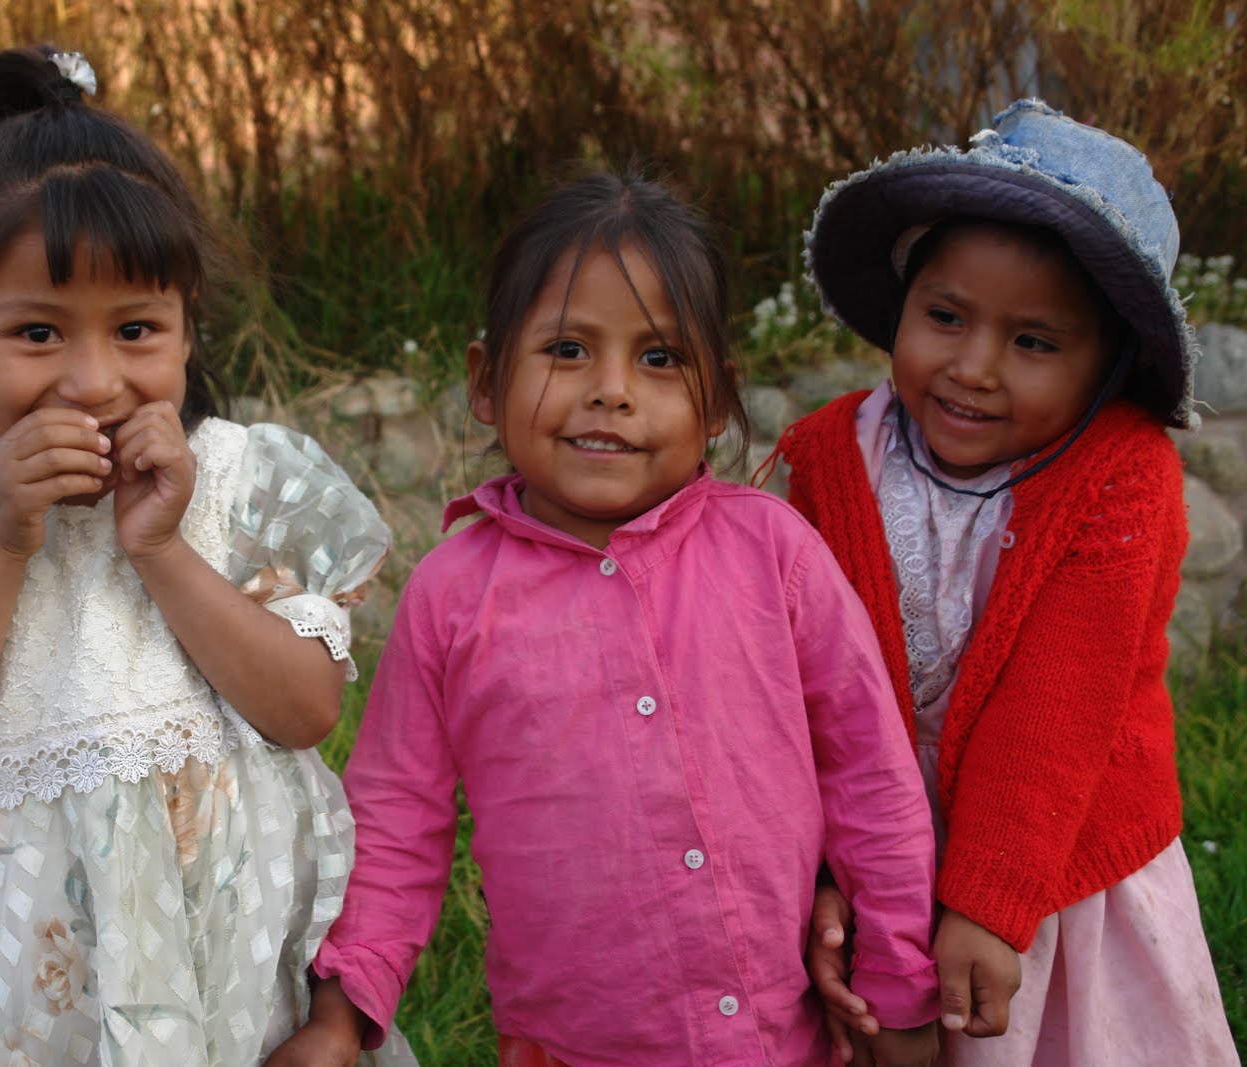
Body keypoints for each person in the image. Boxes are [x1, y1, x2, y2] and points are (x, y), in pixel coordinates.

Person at [0, 45, 416, 1066]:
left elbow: (303, 708)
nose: (94, 380)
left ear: (189, 331)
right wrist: (2, 539)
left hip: (233, 995)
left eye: (137, 328)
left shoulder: (237, 485)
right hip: (30, 1016)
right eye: (39, 332)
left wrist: (162, 552)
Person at [265, 171, 941, 1067]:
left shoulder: (776, 554)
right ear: (484, 378)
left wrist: (899, 988)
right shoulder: (451, 594)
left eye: (659, 358)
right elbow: (395, 823)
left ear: (714, 400)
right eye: (567, 350)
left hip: (786, 1043)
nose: (612, 391)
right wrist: (341, 1014)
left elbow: (873, 777)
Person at [776, 99, 1240, 1065]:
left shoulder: (1119, 475)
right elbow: (801, 682)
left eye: (1034, 342)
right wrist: (825, 865)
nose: (975, 367)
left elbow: (1058, 706)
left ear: (1107, 366)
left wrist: (989, 902)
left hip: (1059, 861)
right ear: (904, 301)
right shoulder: (833, 456)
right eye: (946, 317)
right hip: (881, 848)